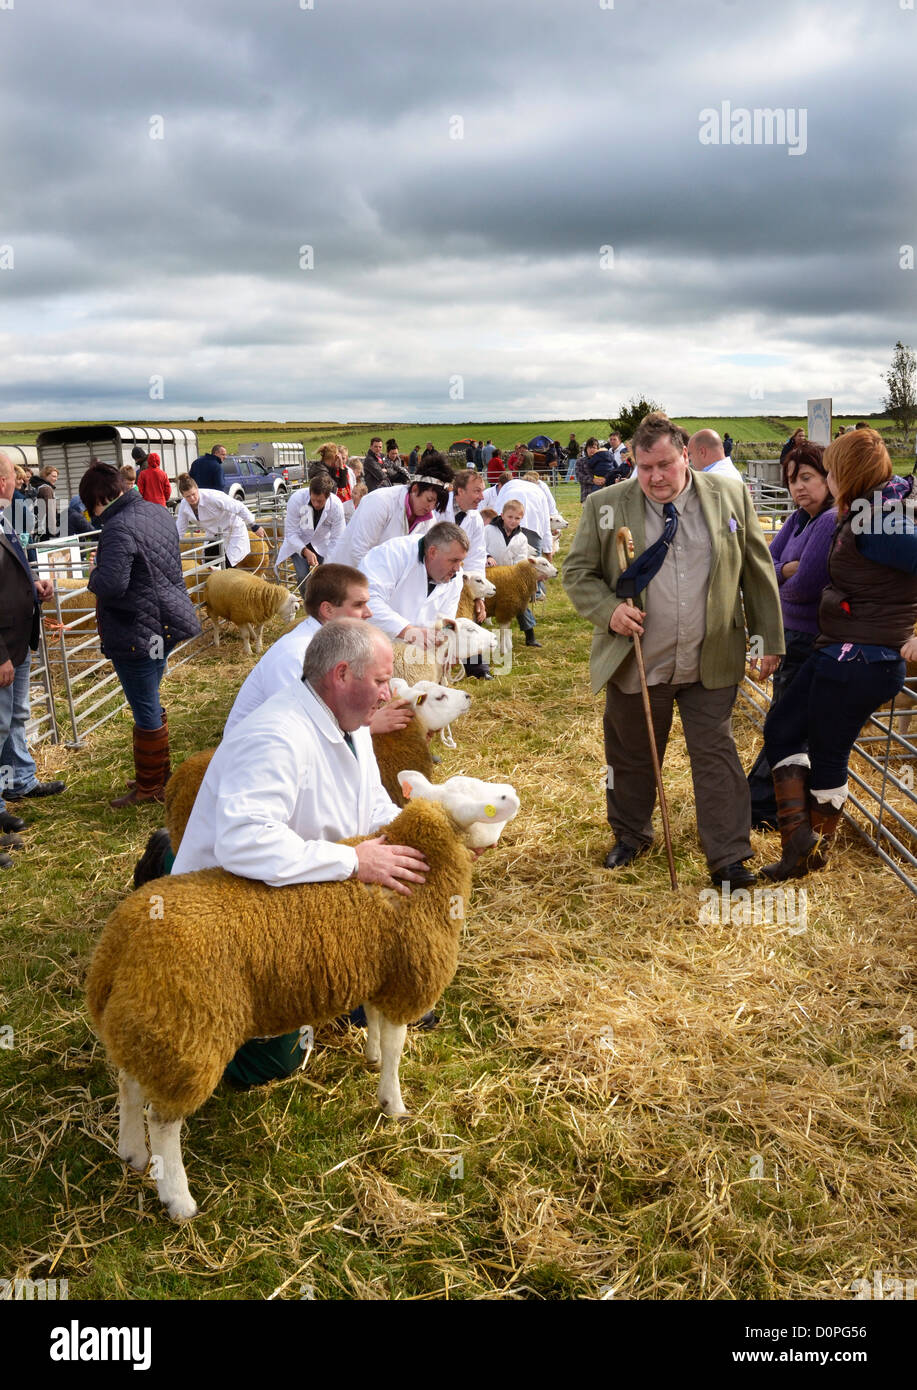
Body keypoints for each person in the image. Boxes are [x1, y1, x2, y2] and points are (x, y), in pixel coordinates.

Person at [172, 619, 430, 1086]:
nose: (388, 693)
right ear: (342, 674)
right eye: (379, 681)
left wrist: (428, 840)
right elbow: (244, 841)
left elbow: (372, 801)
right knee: (270, 1066)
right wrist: (354, 861)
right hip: (231, 907)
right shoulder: (276, 735)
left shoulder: (354, 725)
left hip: (299, 892)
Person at [563, 411, 783, 885]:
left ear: (686, 455)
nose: (656, 477)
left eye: (665, 464)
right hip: (639, 659)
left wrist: (768, 638)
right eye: (645, 468)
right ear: (633, 463)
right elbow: (577, 573)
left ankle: (728, 857)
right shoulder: (606, 504)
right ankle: (631, 833)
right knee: (632, 754)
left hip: (712, 655)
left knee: (717, 753)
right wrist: (609, 611)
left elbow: (756, 570)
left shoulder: (729, 494)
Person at [761, 428, 917, 879]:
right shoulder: (868, 513)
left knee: (827, 754)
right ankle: (801, 845)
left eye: (829, 472)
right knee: (783, 728)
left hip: (862, 658)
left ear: (845, 473)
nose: (825, 480)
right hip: (842, 652)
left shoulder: (877, 520)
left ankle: (807, 856)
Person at [80, 460, 200, 806]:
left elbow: (112, 586)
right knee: (149, 698)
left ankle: (151, 787)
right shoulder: (157, 511)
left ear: (101, 499)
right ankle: (157, 775)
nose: (95, 513)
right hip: (163, 626)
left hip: (136, 628)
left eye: (94, 507)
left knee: (144, 704)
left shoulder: (118, 528)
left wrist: (94, 573)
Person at [747, 442, 836, 827]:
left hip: (810, 637)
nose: (798, 487)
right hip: (791, 634)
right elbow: (766, 564)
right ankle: (773, 806)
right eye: (791, 480)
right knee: (787, 723)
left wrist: (778, 576)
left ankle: (766, 806)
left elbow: (805, 589)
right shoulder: (799, 519)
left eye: (807, 477)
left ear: (828, 478)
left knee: (787, 725)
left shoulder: (830, 521)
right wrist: (784, 570)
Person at [223, 563, 414, 736]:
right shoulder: (296, 655)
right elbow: (297, 728)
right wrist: (369, 726)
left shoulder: (334, 646)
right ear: (328, 610)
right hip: (258, 759)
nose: (369, 613)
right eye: (358, 605)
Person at [0, 453, 64, 857]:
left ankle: (18, 781)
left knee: (15, 716)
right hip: (3, 646)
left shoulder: (5, 518)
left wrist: (34, 584)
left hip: (19, 639)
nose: (15, 483)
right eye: (12, 477)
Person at [327, 456, 454, 570]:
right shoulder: (380, 502)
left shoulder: (428, 522)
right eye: (429, 500)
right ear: (415, 489)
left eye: (435, 503)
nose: (431, 507)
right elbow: (358, 550)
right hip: (345, 575)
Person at [360, 523, 468, 651]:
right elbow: (366, 600)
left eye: (460, 561)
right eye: (453, 560)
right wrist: (407, 631)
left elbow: (446, 620)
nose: (457, 568)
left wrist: (445, 641)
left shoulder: (456, 576)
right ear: (432, 552)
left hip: (415, 656)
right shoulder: (393, 554)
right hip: (372, 646)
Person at [174, 473, 266, 567]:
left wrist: (254, 525)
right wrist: (173, 543)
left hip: (232, 529)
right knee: (209, 564)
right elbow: (180, 527)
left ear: (197, 489)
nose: (192, 498)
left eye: (193, 494)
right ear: (183, 496)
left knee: (228, 563)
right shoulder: (184, 506)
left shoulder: (213, 497)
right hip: (214, 534)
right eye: (188, 496)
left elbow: (239, 507)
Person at [486, 498, 542, 648]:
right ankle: (477, 636)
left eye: (517, 518)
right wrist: (488, 556)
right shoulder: (488, 530)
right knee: (484, 603)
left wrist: (518, 575)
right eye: (510, 517)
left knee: (519, 605)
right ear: (502, 515)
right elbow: (479, 547)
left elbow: (521, 559)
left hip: (510, 579)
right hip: (489, 574)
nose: (513, 521)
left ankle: (530, 636)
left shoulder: (521, 538)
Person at [277, 472, 346, 592]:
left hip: (322, 543)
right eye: (313, 500)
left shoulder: (336, 506)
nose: (316, 504)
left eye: (320, 501)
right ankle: (308, 603)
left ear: (328, 496)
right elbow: (291, 533)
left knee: (326, 576)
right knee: (303, 575)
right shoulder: (297, 500)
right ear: (309, 493)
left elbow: (337, 539)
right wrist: (304, 551)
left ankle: (322, 603)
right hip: (298, 541)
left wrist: (327, 564)